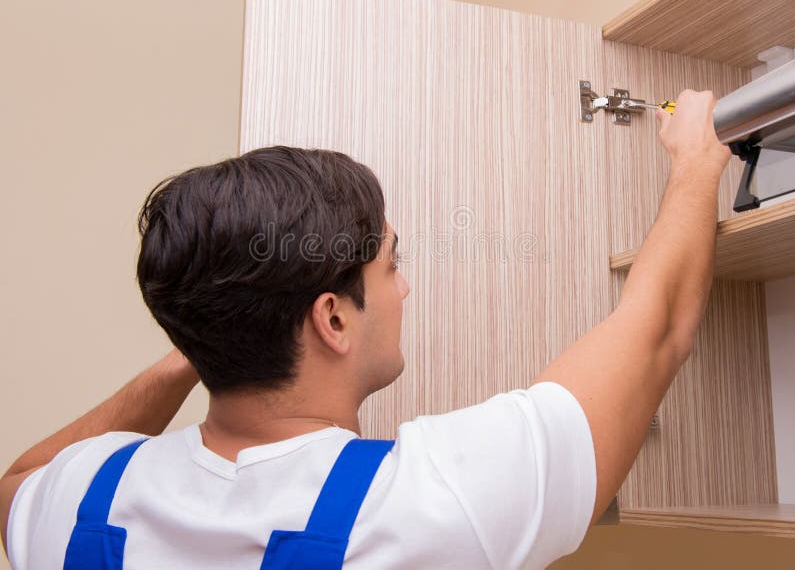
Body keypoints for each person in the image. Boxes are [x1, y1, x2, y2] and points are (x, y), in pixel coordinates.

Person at [1, 90, 730, 570]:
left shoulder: (80, 500)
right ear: (334, 317)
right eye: (392, 263)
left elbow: (16, 482)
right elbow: (657, 326)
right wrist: (696, 159)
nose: (405, 285)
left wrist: (204, 337)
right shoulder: (426, 508)